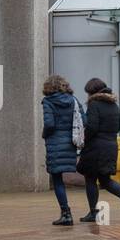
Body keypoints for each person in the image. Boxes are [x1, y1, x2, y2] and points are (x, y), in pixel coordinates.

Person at [77, 77, 120, 222]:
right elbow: (118, 127)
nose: (87, 96)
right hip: (111, 145)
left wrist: (83, 139)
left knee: (90, 178)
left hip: (96, 147)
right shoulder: (114, 105)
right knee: (104, 179)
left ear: (92, 92)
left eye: (88, 93)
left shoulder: (94, 104)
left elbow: (92, 127)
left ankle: (93, 212)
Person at [41, 75, 81, 226]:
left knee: (57, 179)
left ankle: (66, 214)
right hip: (69, 143)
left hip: (55, 144)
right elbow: (83, 120)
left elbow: (49, 124)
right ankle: (66, 214)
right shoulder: (73, 100)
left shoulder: (48, 101)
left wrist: (44, 134)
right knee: (59, 178)